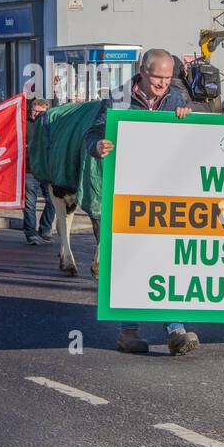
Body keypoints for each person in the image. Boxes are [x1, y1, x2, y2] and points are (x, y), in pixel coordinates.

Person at [86, 48, 198, 356]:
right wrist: (98, 145)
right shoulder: (117, 98)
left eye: (167, 77)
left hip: (165, 191)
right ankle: (129, 331)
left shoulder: (177, 98)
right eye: (157, 77)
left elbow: (193, 141)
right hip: (127, 189)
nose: (163, 84)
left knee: (166, 255)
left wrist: (188, 121)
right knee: (129, 257)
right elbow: (91, 135)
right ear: (141, 72)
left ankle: (175, 329)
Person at [22, 97, 55, 245]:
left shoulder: (50, 125)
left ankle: (45, 227)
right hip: (29, 169)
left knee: (53, 200)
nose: (35, 114)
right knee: (30, 203)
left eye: (39, 112)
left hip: (46, 169)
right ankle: (30, 233)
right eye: (34, 111)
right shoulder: (24, 124)